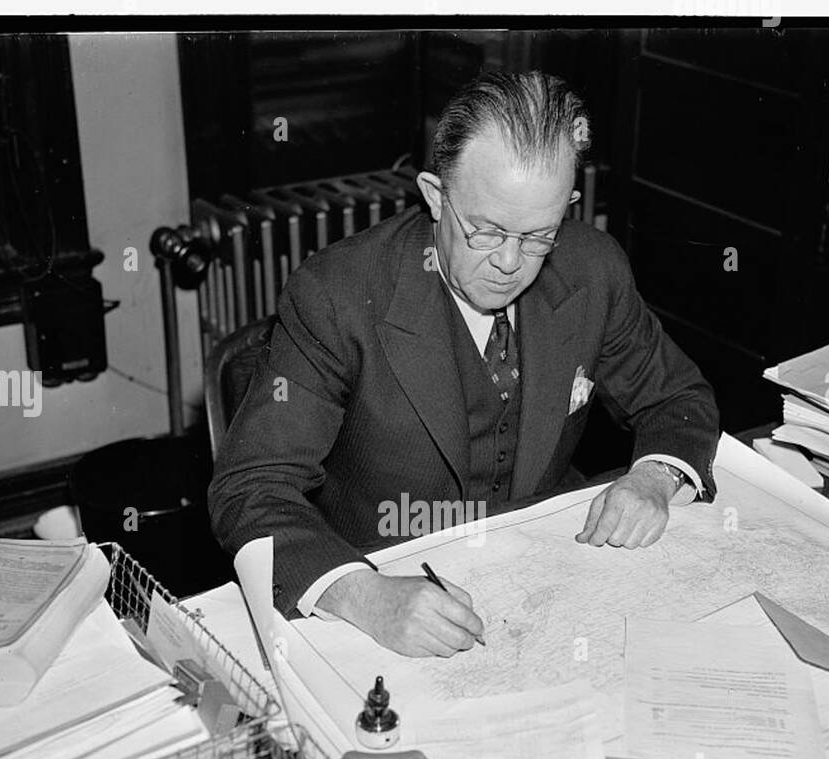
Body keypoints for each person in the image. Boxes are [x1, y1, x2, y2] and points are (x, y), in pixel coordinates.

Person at [210, 70, 720, 657]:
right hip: (383, 582)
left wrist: (653, 478)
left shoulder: (591, 269)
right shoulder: (339, 293)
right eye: (485, 230)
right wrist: (363, 594)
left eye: (538, 236)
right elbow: (251, 486)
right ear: (434, 195)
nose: (510, 263)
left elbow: (678, 397)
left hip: (547, 577)